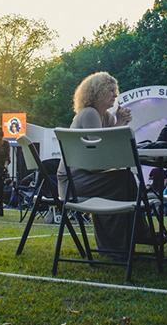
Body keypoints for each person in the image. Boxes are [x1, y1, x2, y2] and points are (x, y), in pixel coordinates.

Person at [57, 71, 136, 255]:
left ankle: (119, 244)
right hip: (74, 182)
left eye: (115, 91)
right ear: (97, 92)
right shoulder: (89, 114)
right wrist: (121, 123)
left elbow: (110, 151)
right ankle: (126, 241)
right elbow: (100, 157)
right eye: (110, 90)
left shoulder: (106, 117)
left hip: (88, 178)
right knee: (124, 179)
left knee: (123, 179)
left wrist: (120, 122)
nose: (115, 95)